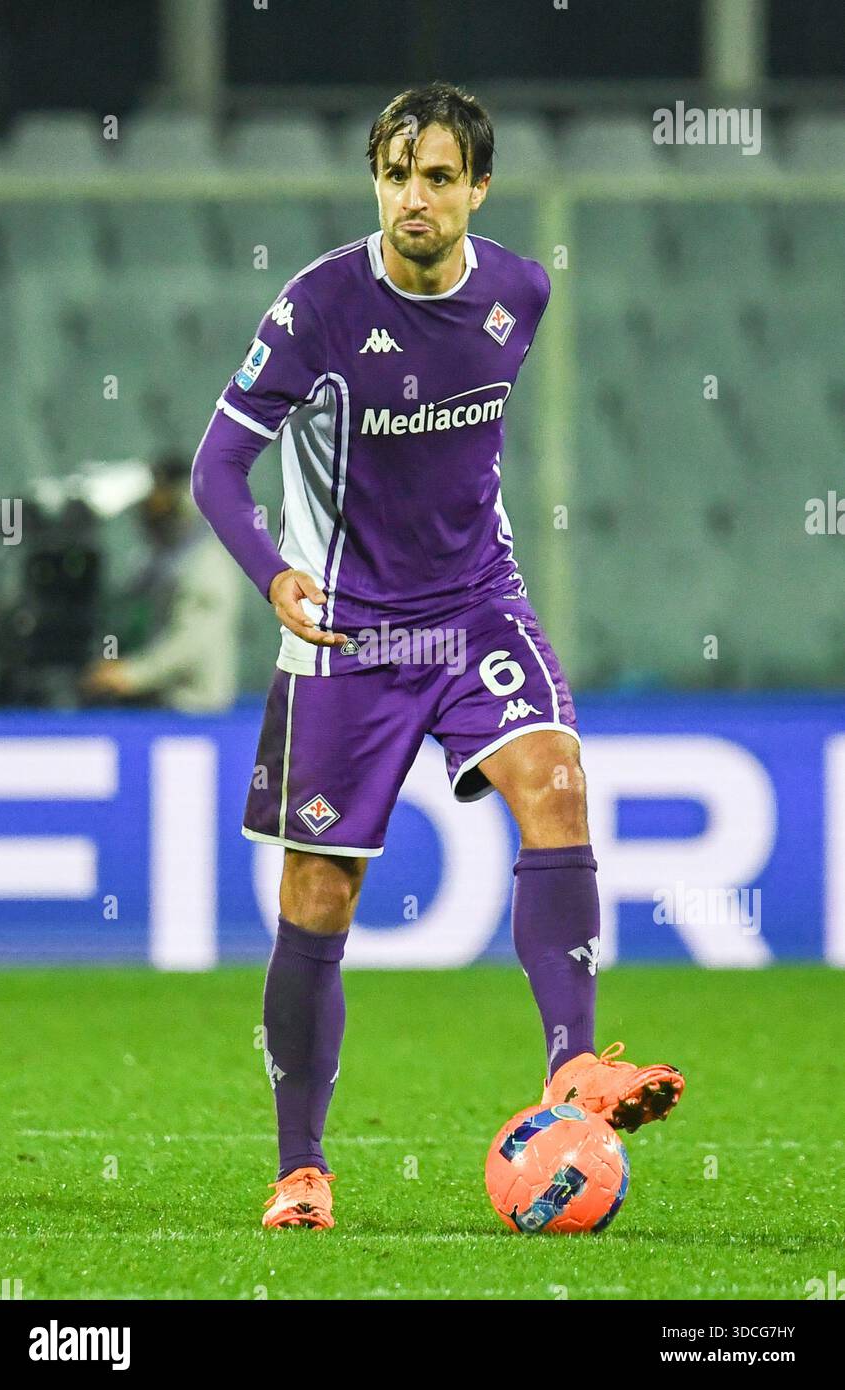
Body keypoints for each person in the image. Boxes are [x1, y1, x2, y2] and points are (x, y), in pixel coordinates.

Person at [192, 82, 685, 1231]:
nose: (412, 196)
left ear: (477, 187)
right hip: (347, 633)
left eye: (438, 175)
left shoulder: (519, 291)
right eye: (394, 172)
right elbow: (219, 466)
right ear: (376, 177)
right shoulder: (315, 307)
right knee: (318, 898)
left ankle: (571, 1073)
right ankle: (301, 1169)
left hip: (472, 611)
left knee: (556, 780)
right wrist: (275, 575)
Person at [82, 454, 241, 711]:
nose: (148, 511)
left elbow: (192, 641)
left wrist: (131, 675)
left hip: (194, 709)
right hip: (158, 702)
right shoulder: (158, 558)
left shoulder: (206, 562)